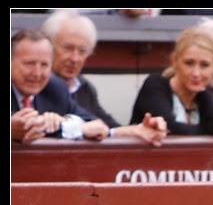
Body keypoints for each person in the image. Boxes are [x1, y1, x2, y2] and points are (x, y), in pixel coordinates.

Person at [41, 10, 167, 146]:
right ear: (48, 47)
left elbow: (105, 126)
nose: (75, 58)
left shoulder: (84, 87)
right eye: (67, 48)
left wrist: (139, 129)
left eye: (82, 51)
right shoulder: (36, 86)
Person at [130, 27, 213, 136]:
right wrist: (210, 131)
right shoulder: (155, 86)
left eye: (204, 65)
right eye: (189, 63)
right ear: (175, 61)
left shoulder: (202, 94)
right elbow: (170, 129)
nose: (196, 73)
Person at [11, 28, 109, 143]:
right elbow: (26, 128)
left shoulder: (55, 88)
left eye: (44, 65)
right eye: (29, 64)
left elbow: (96, 124)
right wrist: (62, 127)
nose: (37, 73)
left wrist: (63, 121)